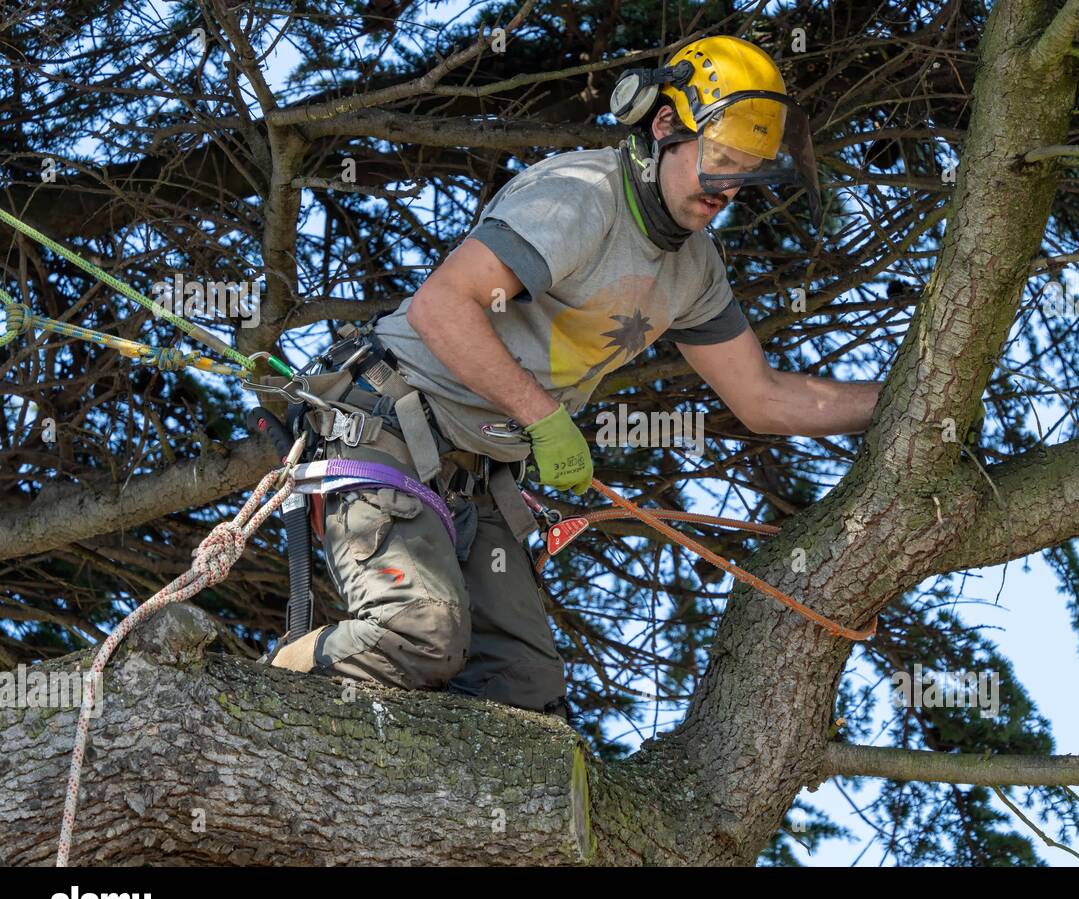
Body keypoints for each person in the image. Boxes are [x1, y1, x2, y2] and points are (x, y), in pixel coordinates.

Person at [269, 35, 882, 723]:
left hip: (474, 477)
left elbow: (762, 399)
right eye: (720, 163)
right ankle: (267, 689)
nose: (728, 189)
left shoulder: (695, 267)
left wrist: (899, 405)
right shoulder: (577, 199)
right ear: (662, 126)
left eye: (746, 174)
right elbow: (444, 306)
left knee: (524, 696)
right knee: (420, 635)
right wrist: (544, 417)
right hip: (384, 431)